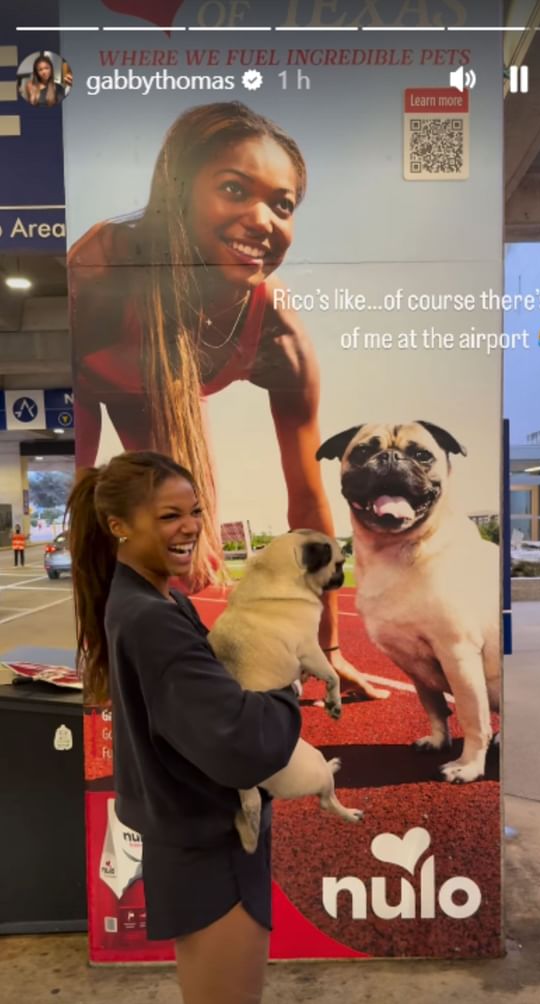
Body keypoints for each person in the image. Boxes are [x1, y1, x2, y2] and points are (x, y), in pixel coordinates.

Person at [68, 100, 387, 704]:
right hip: (90, 382)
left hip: (163, 396)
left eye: (282, 203)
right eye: (235, 189)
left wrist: (330, 648)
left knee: (182, 529)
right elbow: (75, 477)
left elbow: (306, 498)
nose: (262, 218)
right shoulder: (99, 272)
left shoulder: (277, 329)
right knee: (95, 508)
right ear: (178, 194)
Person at [67, 450, 302, 1004]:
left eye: (194, 509)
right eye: (169, 514)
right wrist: (285, 685)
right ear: (118, 525)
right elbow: (237, 741)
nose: (191, 526)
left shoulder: (149, 598)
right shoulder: (152, 617)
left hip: (194, 843)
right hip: (211, 852)